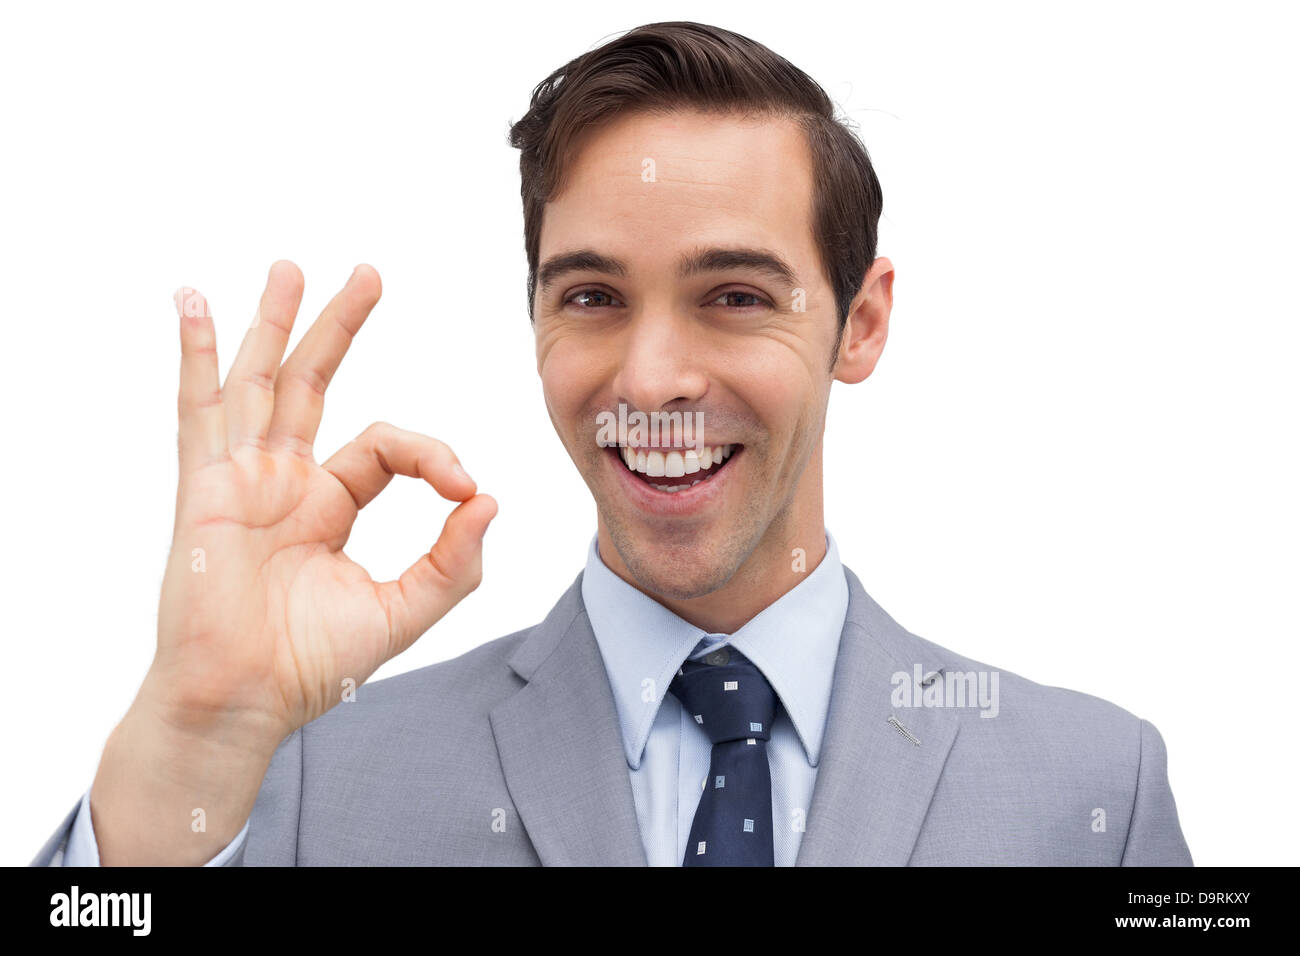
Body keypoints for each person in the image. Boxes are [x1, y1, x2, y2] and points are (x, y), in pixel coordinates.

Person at [33, 20, 1192, 867]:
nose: (650, 379)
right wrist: (189, 742)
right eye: (591, 296)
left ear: (861, 320)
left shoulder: (1095, 788)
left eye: (734, 294)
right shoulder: (310, 774)